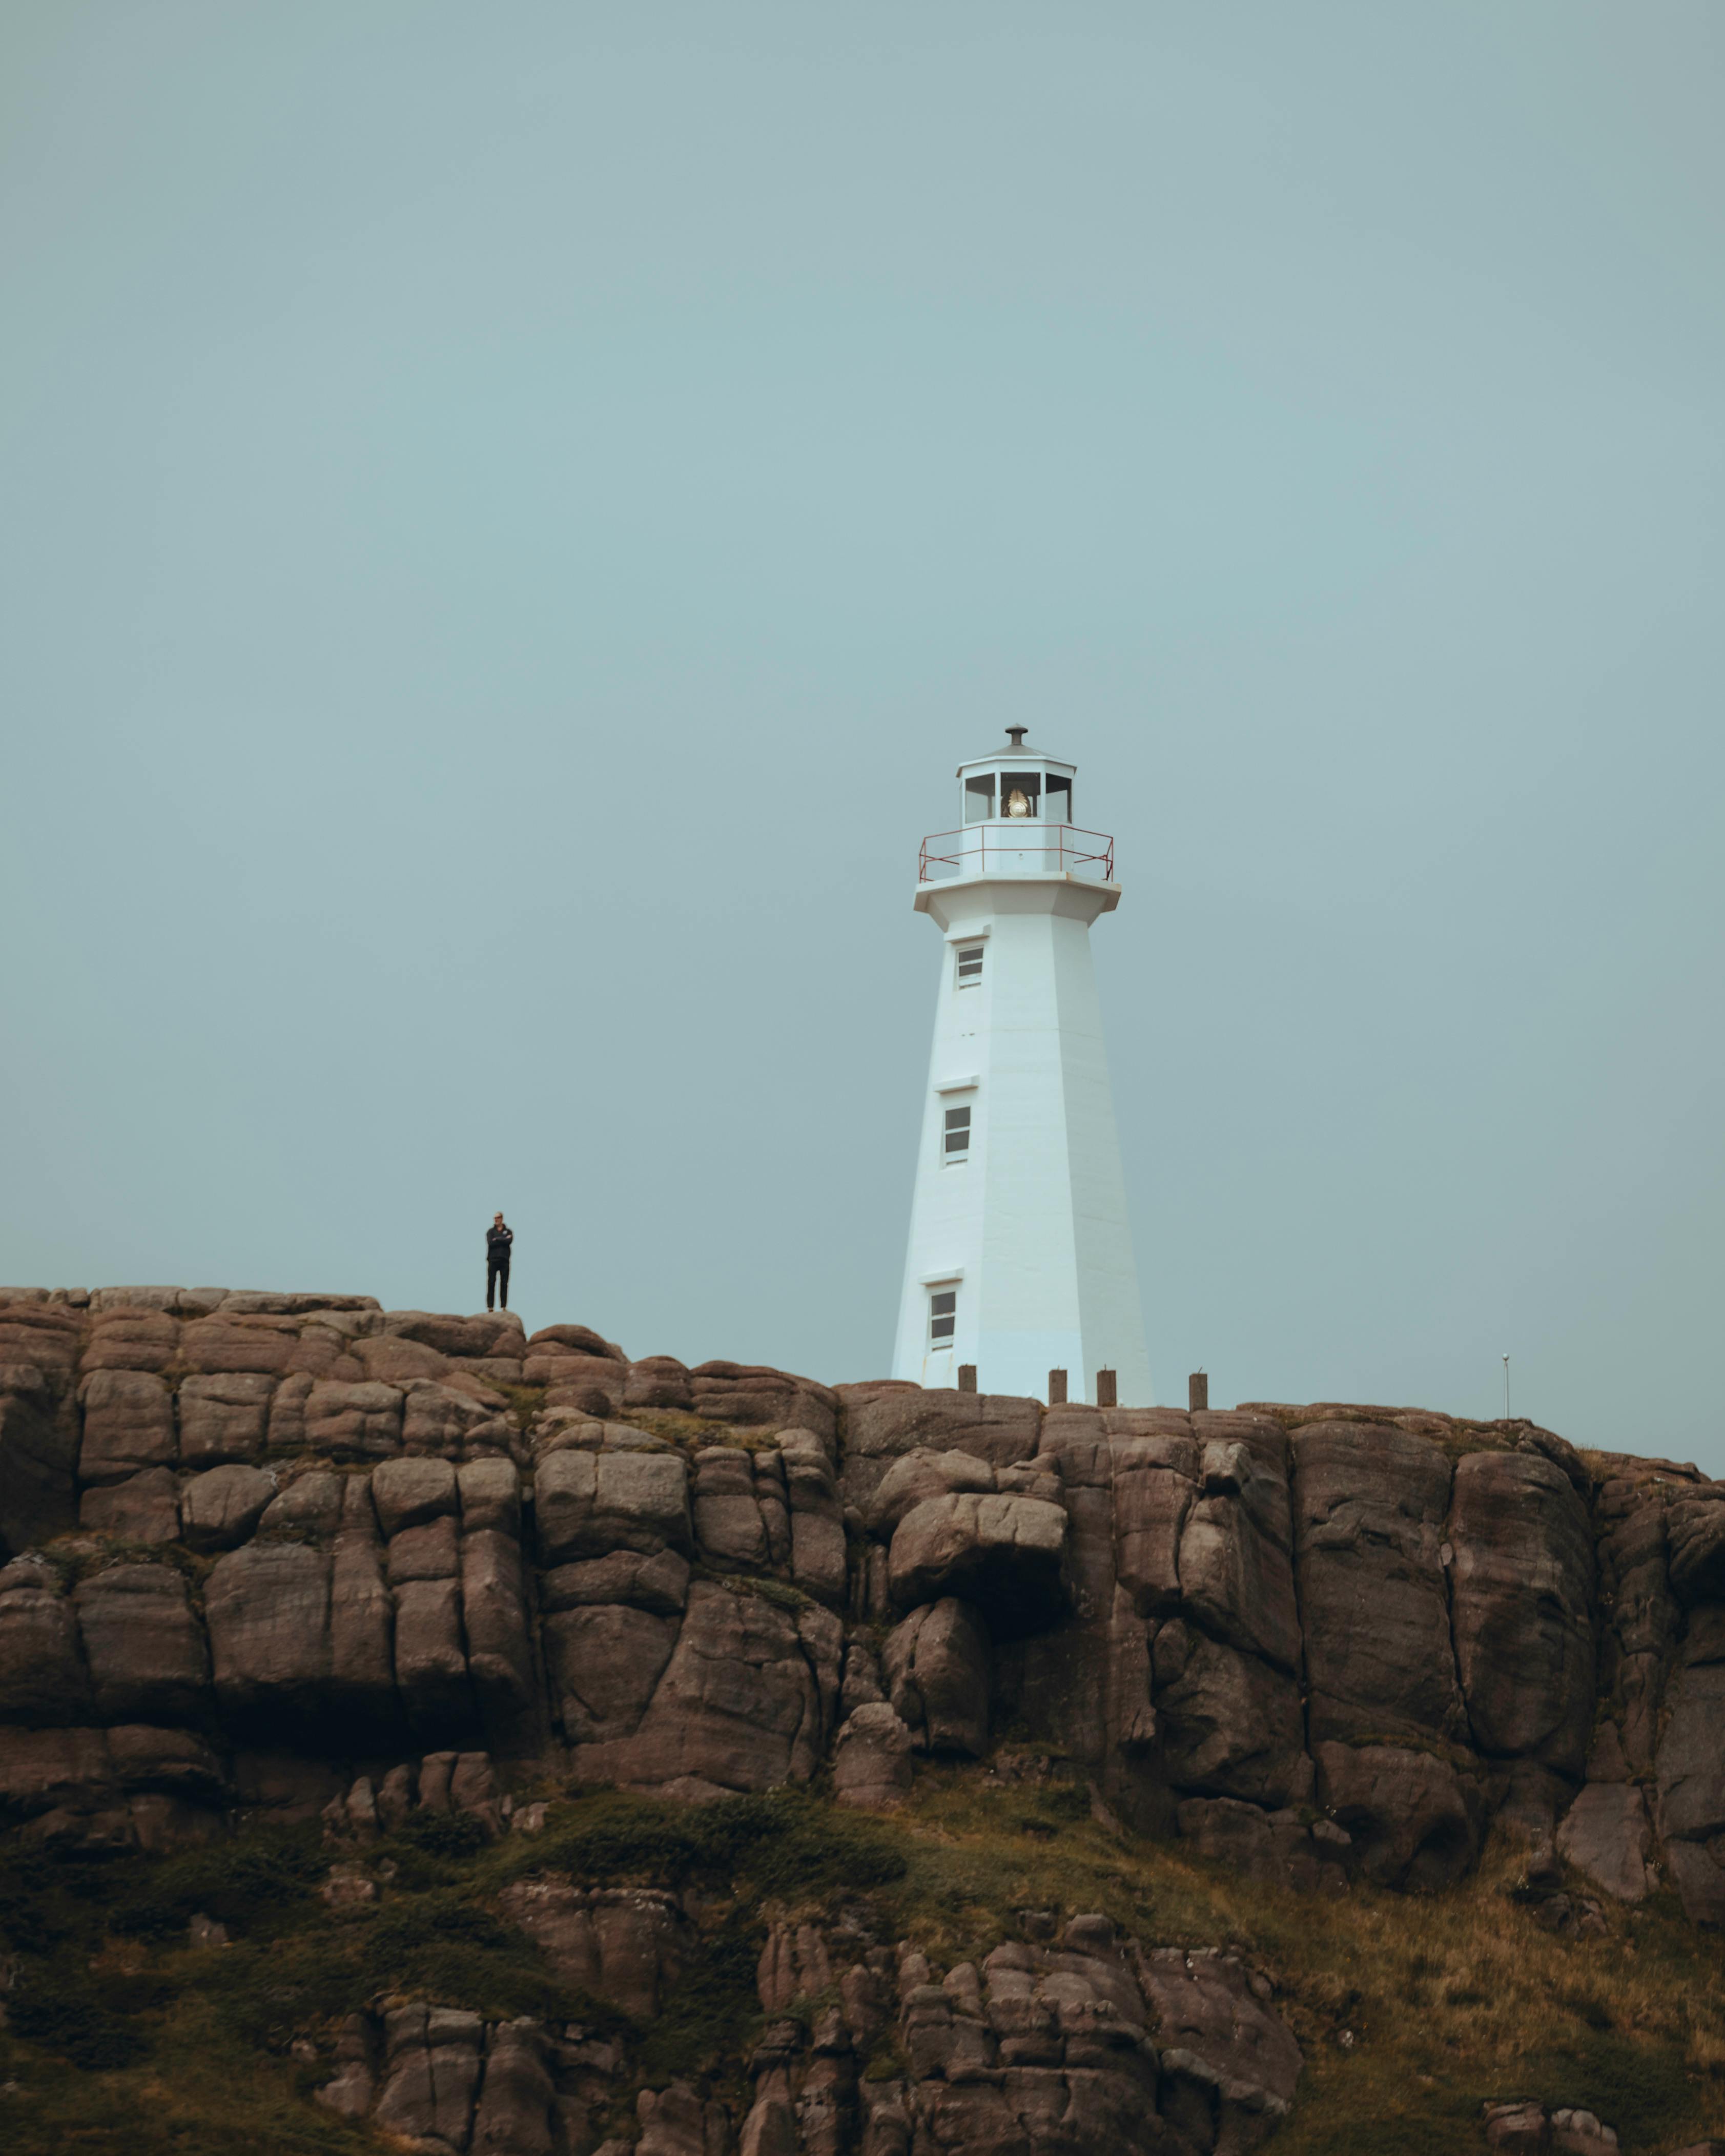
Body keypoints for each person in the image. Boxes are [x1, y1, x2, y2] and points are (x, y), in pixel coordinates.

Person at [485, 1212, 514, 1311]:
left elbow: (509, 1241)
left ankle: (503, 1307)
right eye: (495, 1218)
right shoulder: (491, 1232)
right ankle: (490, 1307)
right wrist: (503, 1240)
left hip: (504, 1260)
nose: (496, 1219)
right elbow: (490, 1243)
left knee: (504, 1284)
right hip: (493, 1260)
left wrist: (497, 1239)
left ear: (502, 1218)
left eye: (498, 1218)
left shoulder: (508, 1231)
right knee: (491, 1283)